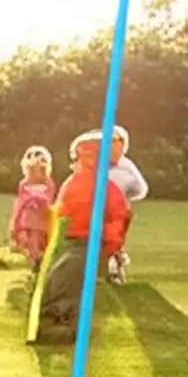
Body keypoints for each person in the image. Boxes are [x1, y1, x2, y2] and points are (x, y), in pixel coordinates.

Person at [37, 130, 130, 337]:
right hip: (78, 243)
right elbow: (120, 216)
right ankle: (59, 325)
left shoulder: (86, 184)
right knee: (66, 284)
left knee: (65, 285)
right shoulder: (95, 185)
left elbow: (63, 212)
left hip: (81, 243)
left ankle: (59, 328)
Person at [106, 125, 147, 285]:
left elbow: (141, 189)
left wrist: (124, 199)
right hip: (96, 210)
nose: (113, 147)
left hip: (117, 212)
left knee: (114, 239)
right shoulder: (95, 163)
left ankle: (116, 267)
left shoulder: (127, 167)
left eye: (117, 142)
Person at [9, 145, 57, 271]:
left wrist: (41, 203)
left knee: (42, 247)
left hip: (43, 222)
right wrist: (15, 223)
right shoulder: (24, 184)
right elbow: (20, 203)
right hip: (28, 223)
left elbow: (50, 199)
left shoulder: (48, 182)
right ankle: (36, 265)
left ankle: (41, 265)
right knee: (31, 246)